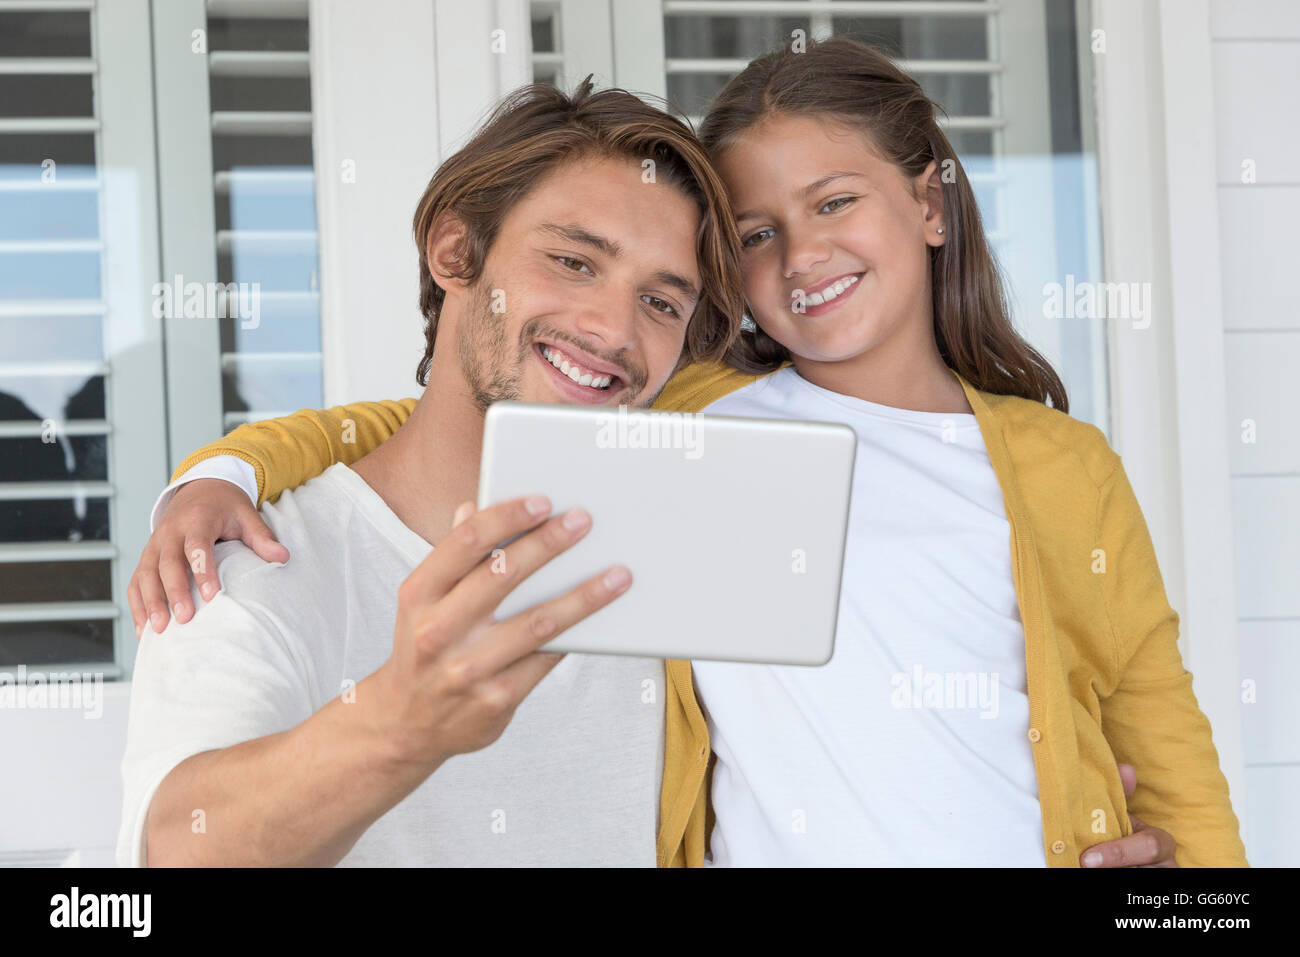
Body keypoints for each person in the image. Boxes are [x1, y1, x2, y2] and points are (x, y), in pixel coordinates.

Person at [128, 41, 1240, 867]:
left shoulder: (1060, 465)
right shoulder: (689, 424)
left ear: (929, 205)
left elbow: (1163, 727)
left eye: (661, 298)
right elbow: (432, 418)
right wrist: (224, 470)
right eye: (755, 236)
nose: (615, 332)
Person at [116, 78, 743, 866]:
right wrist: (400, 721)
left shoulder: (678, 563)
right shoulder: (252, 561)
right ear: (455, 252)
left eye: (660, 303)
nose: (614, 328)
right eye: (573, 261)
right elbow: (174, 847)